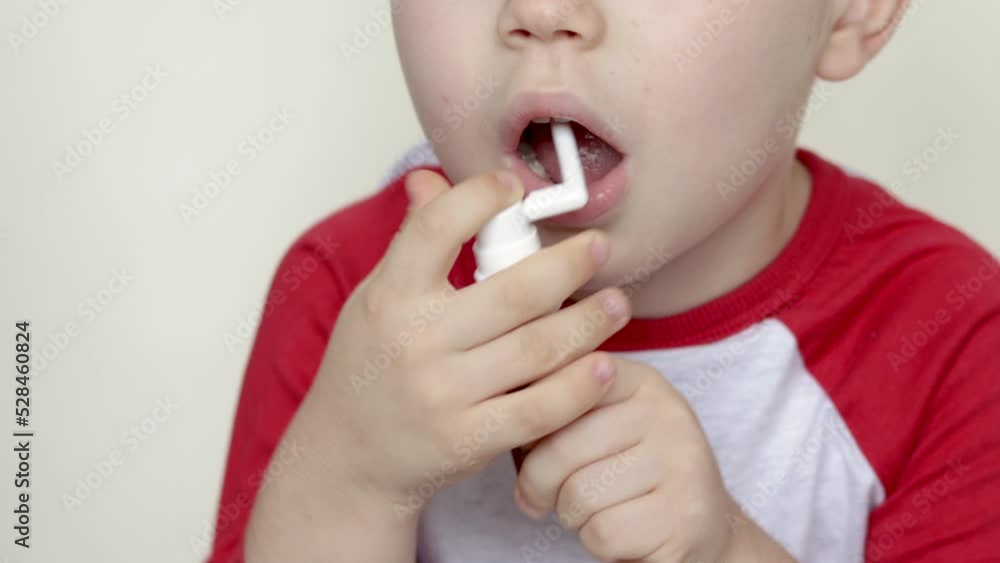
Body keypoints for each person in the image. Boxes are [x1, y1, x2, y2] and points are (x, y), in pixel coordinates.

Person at [208, 1, 1000, 561]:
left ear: (852, 10)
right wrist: (352, 473)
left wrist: (723, 550)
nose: (543, 11)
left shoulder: (954, 340)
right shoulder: (360, 296)